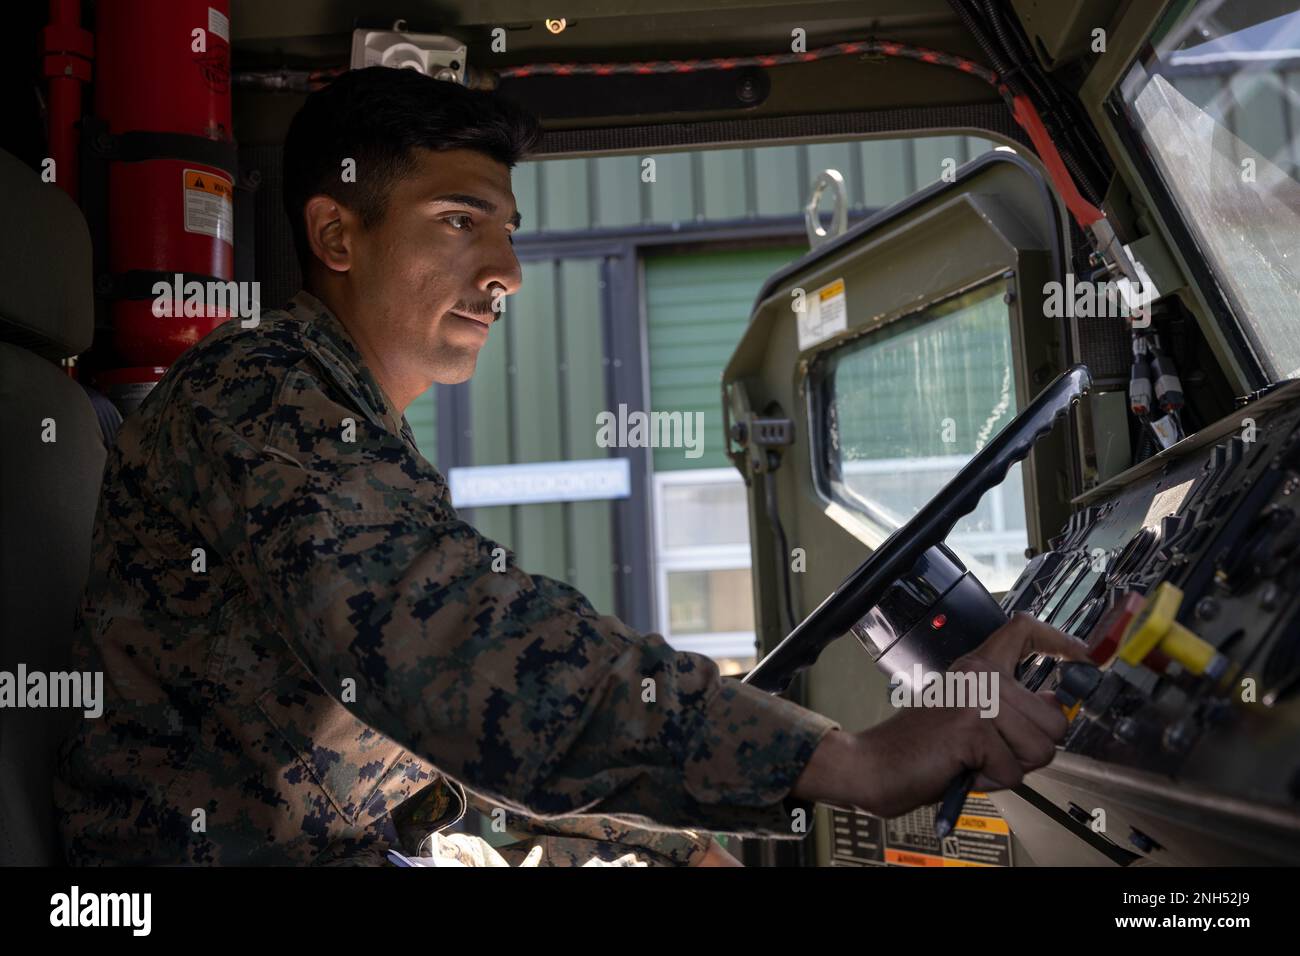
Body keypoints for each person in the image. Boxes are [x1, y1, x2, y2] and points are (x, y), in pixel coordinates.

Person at [54, 66, 1082, 866]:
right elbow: (458, 650)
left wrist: (665, 830)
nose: (503, 272)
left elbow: (414, 722)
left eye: (507, 233)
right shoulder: (267, 393)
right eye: (459, 221)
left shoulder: (344, 410)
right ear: (336, 231)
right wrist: (850, 760)